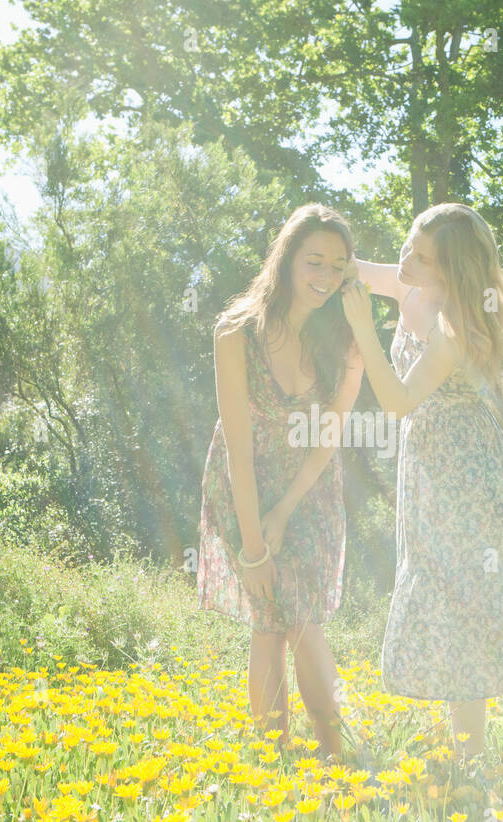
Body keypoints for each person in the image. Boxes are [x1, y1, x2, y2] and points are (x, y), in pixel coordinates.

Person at [343, 203, 503, 784]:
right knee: (457, 614)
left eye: (422, 256)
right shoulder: (410, 280)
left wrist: (363, 328)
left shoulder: (458, 325)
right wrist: (319, 246)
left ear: (453, 271)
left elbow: (397, 402)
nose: (406, 260)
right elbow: (356, 266)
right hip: (429, 472)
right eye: (409, 244)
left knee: (489, 612)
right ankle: (472, 763)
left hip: (468, 474)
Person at [197, 204, 364, 762]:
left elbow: (330, 437)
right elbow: (238, 451)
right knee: (272, 618)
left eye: (338, 266)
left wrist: (286, 510)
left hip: (310, 489)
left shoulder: (343, 340)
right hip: (245, 485)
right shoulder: (236, 332)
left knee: (296, 616)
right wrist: (252, 546)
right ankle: (283, 760)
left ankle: (332, 753)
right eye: (314, 260)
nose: (324, 276)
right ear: (287, 258)